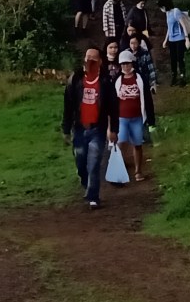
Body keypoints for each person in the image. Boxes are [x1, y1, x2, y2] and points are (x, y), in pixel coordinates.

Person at [61, 46, 118, 209]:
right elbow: (68, 106)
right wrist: (65, 129)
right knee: (80, 162)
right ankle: (86, 183)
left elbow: (114, 107)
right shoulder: (75, 80)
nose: (90, 61)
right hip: (79, 129)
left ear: (100, 61)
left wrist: (113, 129)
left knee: (94, 163)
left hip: (97, 130)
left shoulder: (106, 82)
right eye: (87, 58)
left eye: (93, 58)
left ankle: (93, 196)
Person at [113, 51, 150, 182]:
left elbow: (147, 98)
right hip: (122, 118)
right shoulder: (118, 80)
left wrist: (150, 118)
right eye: (123, 64)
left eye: (127, 63)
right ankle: (119, 169)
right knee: (120, 143)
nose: (125, 66)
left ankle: (138, 171)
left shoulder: (140, 78)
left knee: (137, 144)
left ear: (132, 63)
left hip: (137, 117)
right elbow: (113, 100)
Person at [163, 0, 190, 85]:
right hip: (172, 39)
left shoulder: (176, 11)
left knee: (180, 58)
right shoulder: (167, 13)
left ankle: (183, 77)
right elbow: (169, 27)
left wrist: (187, 39)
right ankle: (174, 77)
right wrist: (165, 40)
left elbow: (183, 26)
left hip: (180, 38)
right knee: (173, 59)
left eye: (162, 7)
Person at [133, 32, 159, 124]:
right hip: (133, 83)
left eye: (135, 43)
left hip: (144, 81)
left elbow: (150, 68)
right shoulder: (127, 54)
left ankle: (151, 122)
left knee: (148, 102)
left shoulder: (145, 53)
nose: (133, 46)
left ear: (139, 43)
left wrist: (153, 82)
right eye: (131, 43)